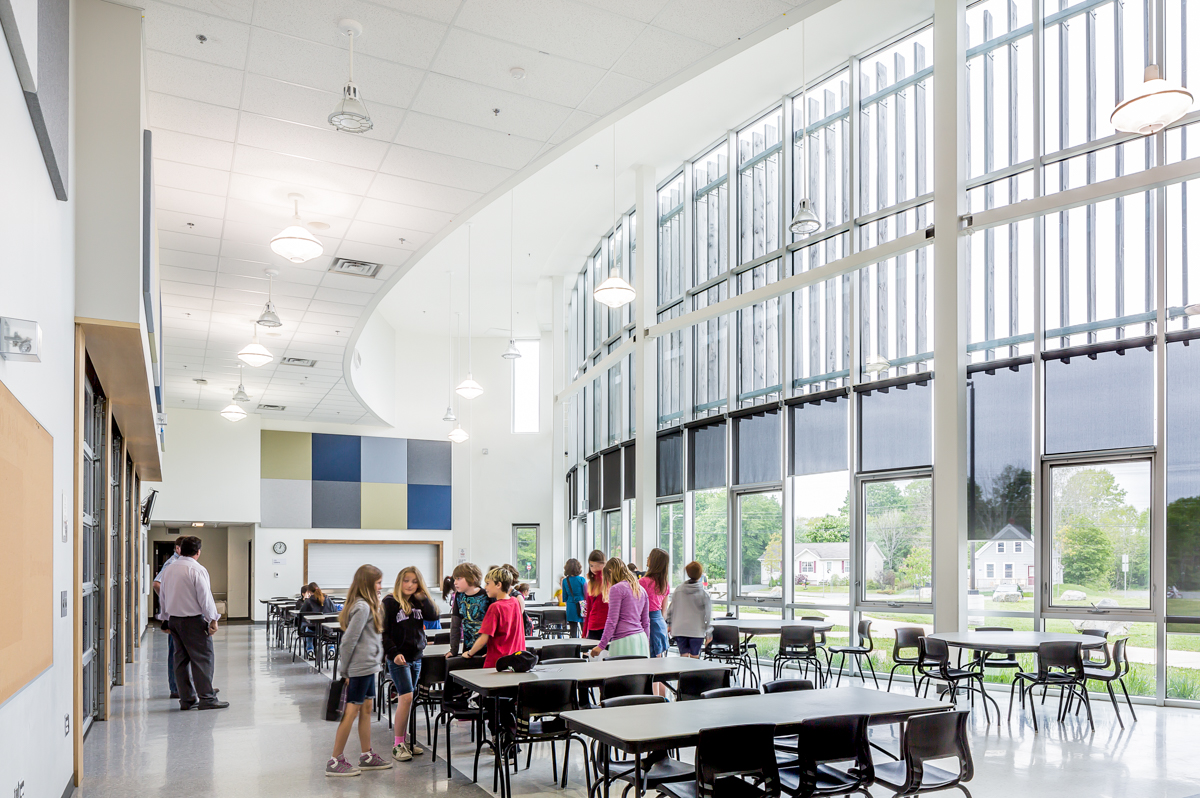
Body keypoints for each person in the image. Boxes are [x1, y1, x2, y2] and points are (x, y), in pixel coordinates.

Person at [327, 564, 392, 777]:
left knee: (366, 709)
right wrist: (345, 672)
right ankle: (335, 760)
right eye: (378, 582)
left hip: (368, 666)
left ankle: (366, 755)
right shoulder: (362, 607)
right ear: (367, 584)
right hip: (358, 668)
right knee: (351, 712)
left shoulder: (369, 605)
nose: (381, 586)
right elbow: (348, 641)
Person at [160, 536, 228, 711]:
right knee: (202, 659)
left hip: (174, 620)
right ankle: (207, 698)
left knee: (180, 660)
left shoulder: (169, 569)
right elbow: (205, 598)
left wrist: (165, 618)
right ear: (198, 552)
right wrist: (213, 618)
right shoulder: (197, 569)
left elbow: (163, 595)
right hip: (193, 621)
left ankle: (187, 700)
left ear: (180, 550)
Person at [382, 566, 438, 762]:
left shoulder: (418, 602)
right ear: (399, 581)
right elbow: (384, 632)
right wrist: (393, 653)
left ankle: (405, 741)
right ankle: (398, 744)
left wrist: (424, 598)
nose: (410, 585)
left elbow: (434, 616)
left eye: (414, 581)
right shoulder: (390, 602)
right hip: (398, 658)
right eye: (406, 580)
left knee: (409, 699)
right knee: (405, 698)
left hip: (416, 657)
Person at [463, 567, 526, 668]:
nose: (485, 587)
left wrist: (470, 653)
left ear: (498, 585)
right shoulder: (515, 602)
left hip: (498, 663)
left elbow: (484, 638)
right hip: (515, 660)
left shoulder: (495, 607)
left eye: (488, 583)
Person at [590, 559, 650, 659]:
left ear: (610, 572)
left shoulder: (617, 589)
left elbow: (612, 620)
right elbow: (646, 622)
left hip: (623, 641)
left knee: (618, 673)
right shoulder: (641, 589)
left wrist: (601, 646)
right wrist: (646, 643)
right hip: (641, 639)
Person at [152, 539, 182, 698]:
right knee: (175, 651)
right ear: (177, 548)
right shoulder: (172, 563)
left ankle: (182, 686)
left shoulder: (179, 563)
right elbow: (157, 584)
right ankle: (176, 688)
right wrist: (167, 598)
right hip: (174, 614)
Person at [664, 561, 712, 658]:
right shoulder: (703, 594)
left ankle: (684, 672)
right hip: (696, 631)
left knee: (683, 656)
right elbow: (708, 614)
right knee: (694, 656)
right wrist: (709, 632)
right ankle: (693, 673)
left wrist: (669, 624)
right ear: (700, 574)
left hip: (680, 630)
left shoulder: (678, 590)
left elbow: (671, 609)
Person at [447, 562, 491, 656]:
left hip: (487, 650)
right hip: (468, 649)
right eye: (455, 579)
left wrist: (493, 651)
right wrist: (453, 650)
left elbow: (496, 626)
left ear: (471, 578)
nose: (455, 582)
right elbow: (455, 625)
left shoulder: (487, 595)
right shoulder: (459, 596)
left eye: (459, 578)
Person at [299, 582, 337, 658]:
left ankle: (310, 651)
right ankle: (331, 650)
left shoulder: (308, 601)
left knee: (308, 631)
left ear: (309, 592)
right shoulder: (327, 599)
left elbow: (301, 613)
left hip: (313, 628)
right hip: (326, 628)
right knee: (329, 633)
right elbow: (334, 610)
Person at [583, 550, 609, 641]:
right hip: (593, 625)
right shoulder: (590, 583)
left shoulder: (608, 582)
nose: (594, 569)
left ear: (604, 565)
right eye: (591, 566)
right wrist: (584, 631)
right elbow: (588, 608)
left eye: (598, 565)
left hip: (606, 625)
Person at [560, 559, 586, 639]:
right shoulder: (581, 579)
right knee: (584, 629)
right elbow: (586, 594)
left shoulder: (565, 581)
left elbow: (564, 597)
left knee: (573, 630)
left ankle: (574, 647)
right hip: (582, 605)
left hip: (571, 606)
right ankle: (585, 648)